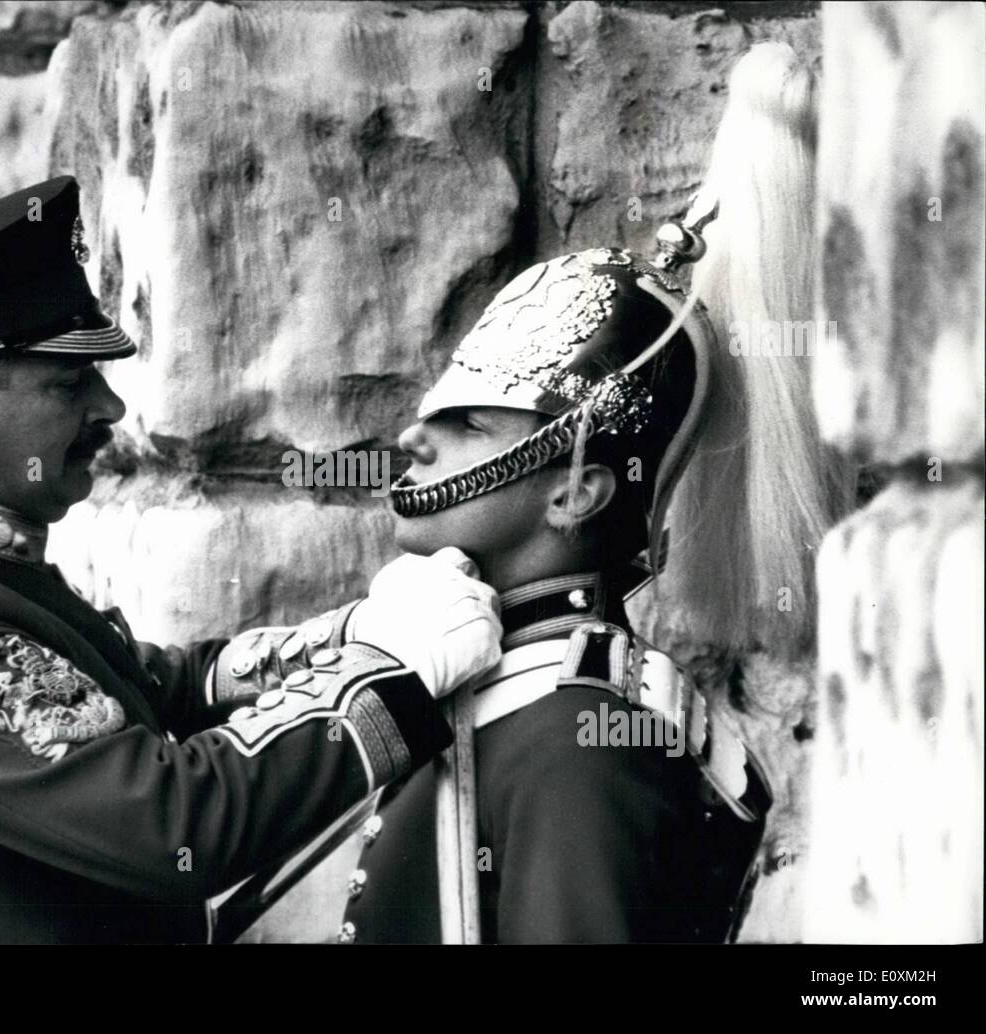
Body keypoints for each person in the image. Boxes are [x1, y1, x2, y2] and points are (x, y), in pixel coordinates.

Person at [0, 175, 503, 944]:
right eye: (69, 383)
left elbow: (156, 687)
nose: (109, 408)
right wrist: (387, 668)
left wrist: (350, 631)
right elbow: (176, 825)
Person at [335, 42, 850, 943]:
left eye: (473, 424)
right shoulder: (528, 687)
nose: (419, 439)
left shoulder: (583, 737)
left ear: (575, 493)